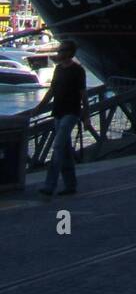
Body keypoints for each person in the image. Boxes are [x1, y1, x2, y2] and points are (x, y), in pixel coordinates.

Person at [31, 40, 91, 197]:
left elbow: (83, 94)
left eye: (62, 50)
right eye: (59, 50)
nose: (59, 53)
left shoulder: (78, 70)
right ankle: (70, 185)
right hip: (58, 112)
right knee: (64, 150)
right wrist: (39, 108)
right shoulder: (58, 69)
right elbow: (52, 91)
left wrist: (86, 116)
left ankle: (49, 185)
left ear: (70, 52)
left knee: (57, 147)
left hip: (71, 112)